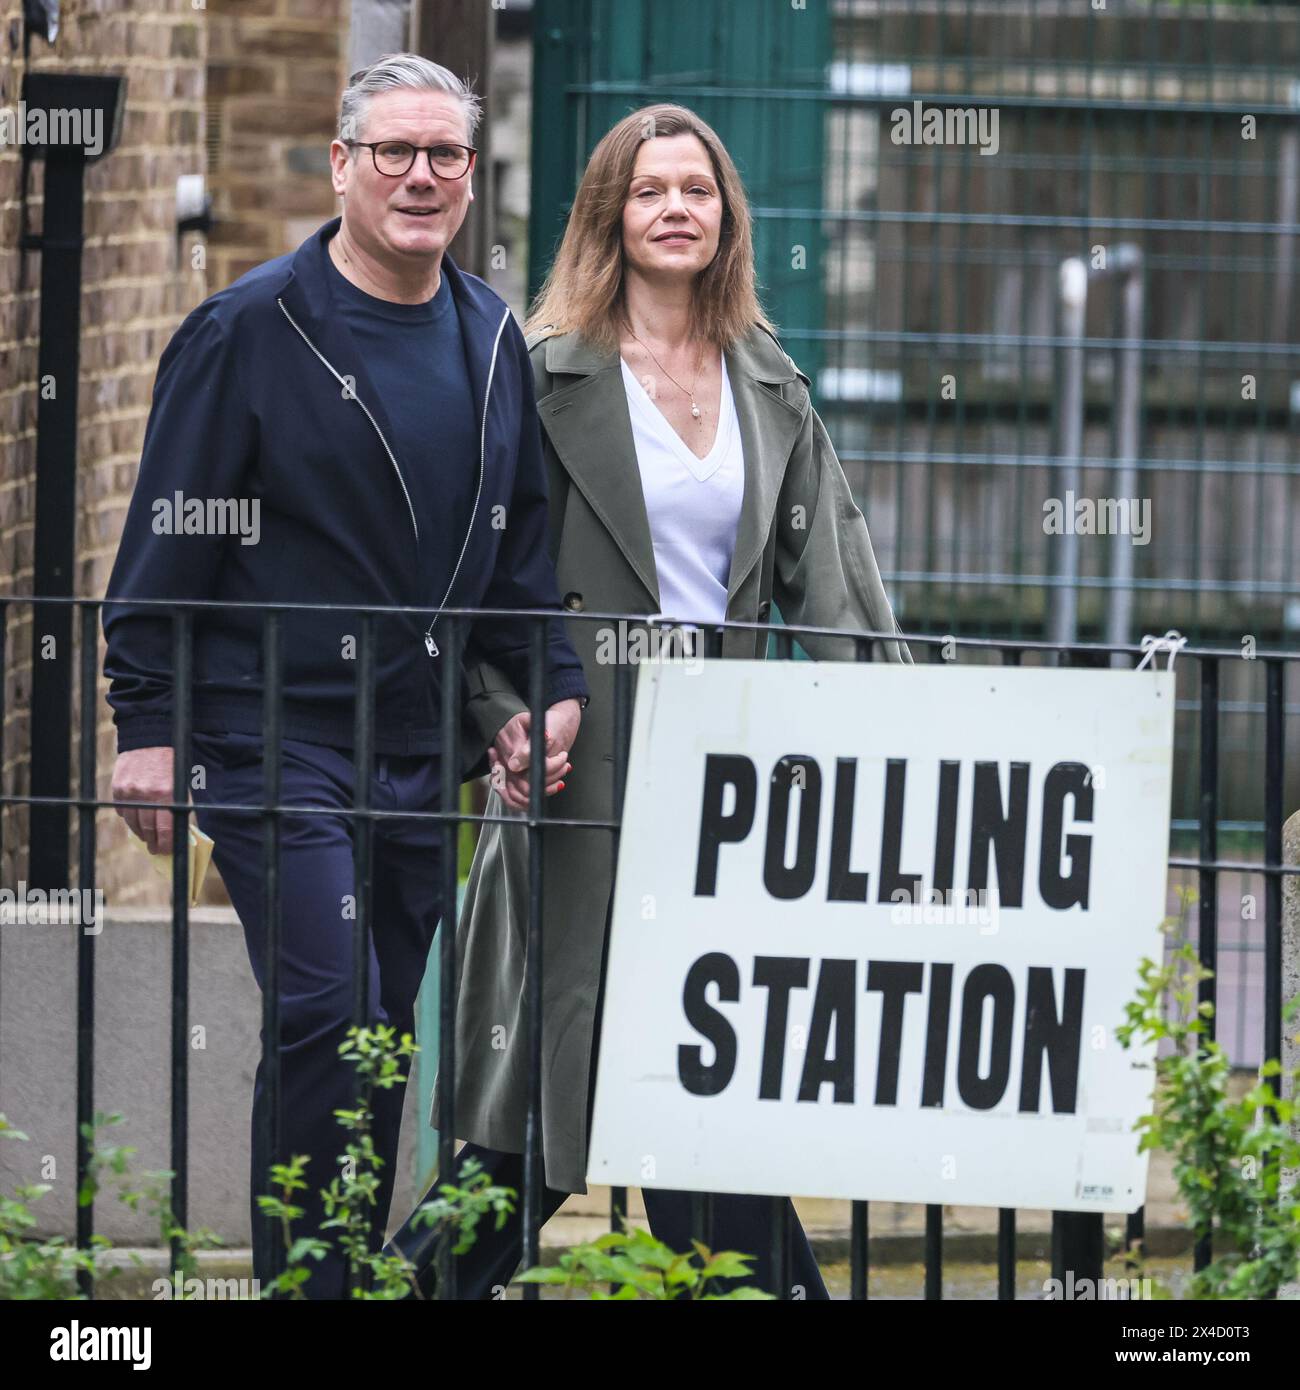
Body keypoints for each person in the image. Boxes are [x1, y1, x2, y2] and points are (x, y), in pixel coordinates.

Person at [388, 103, 912, 1299]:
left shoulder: (769, 385)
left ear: (726, 218)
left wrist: (896, 754)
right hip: (584, 748)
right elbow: (469, 584)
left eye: (697, 189)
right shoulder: (537, 374)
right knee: (566, 1070)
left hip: (727, 773)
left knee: (682, 1073)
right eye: (648, 189)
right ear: (608, 218)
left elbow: (837, 591)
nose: (675, 208)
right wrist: (497, 719)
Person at [102, 53, 588, 1299]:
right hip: (272, 733)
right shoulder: (252, 328)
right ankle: (308, 1285)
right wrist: (146, 722)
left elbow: (520, 546)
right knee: (326, 1006)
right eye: (395, 152)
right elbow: (171, 532)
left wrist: (549, 684)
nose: (421, 176)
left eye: (447, 156)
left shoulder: (490, 335)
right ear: (342, 165)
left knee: (382, 1030)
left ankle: (338, 1270)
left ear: (471, 177)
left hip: (420, 744)